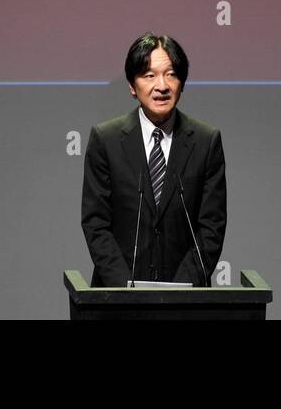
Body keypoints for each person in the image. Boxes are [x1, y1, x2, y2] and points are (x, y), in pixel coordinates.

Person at [80, 32, 227, 287]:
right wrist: (127, 293)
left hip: (187, 301)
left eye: (171, 74)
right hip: (117, 301)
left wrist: (180, 293)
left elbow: (211, 227)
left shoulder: (206, 141)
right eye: (149, 75)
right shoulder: (106, 140)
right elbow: (96, 224)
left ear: (182, 83)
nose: (162, 85)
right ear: (132, 86)